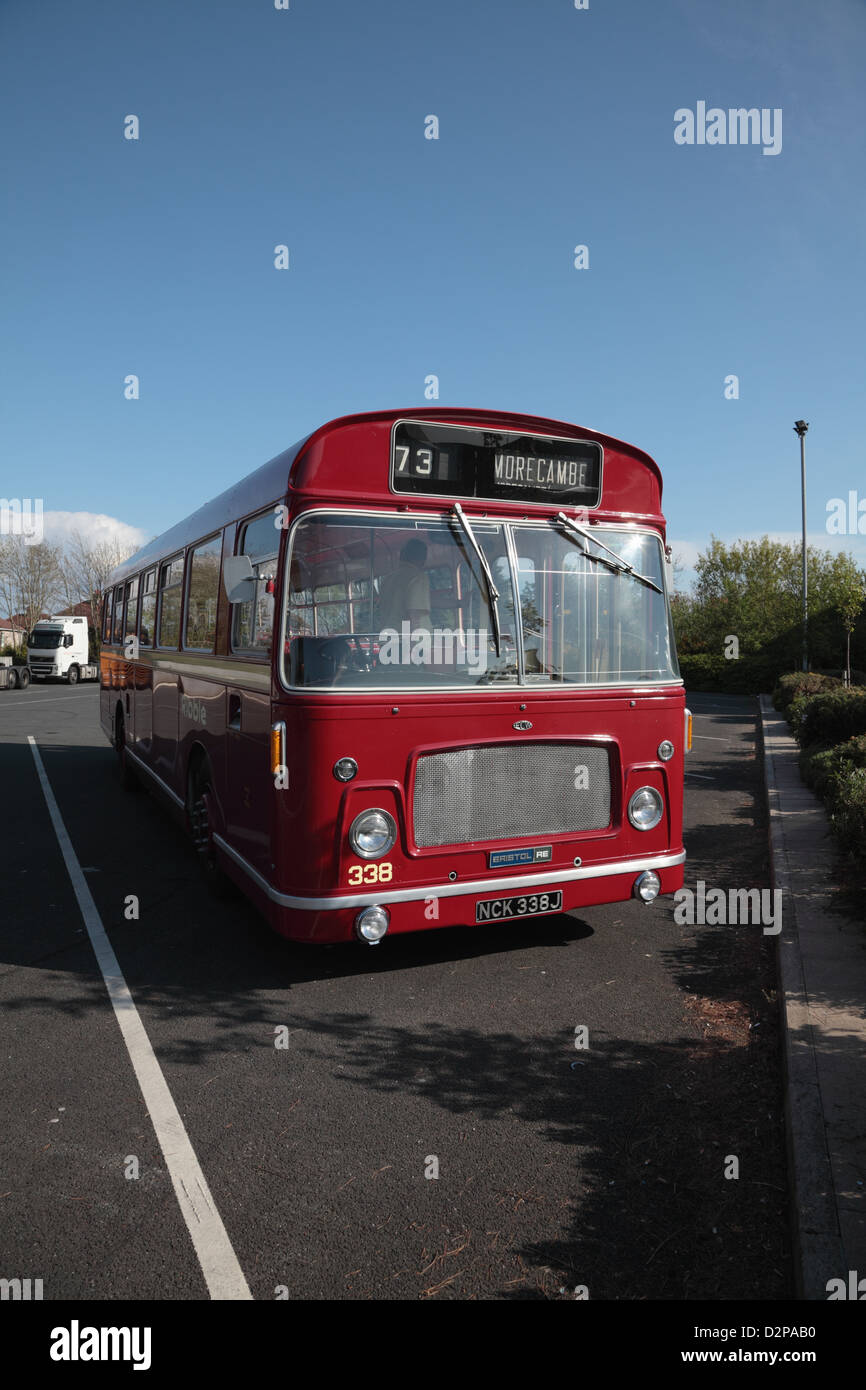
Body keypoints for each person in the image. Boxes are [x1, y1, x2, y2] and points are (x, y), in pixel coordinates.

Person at [377, 538, 432, 632]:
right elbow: (415, 615)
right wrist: (413, 645)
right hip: (409, 641)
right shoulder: (418, 577)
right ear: (422, 558)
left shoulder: (387, 579)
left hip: (388, 638)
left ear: (402, 555)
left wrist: (457, 603)